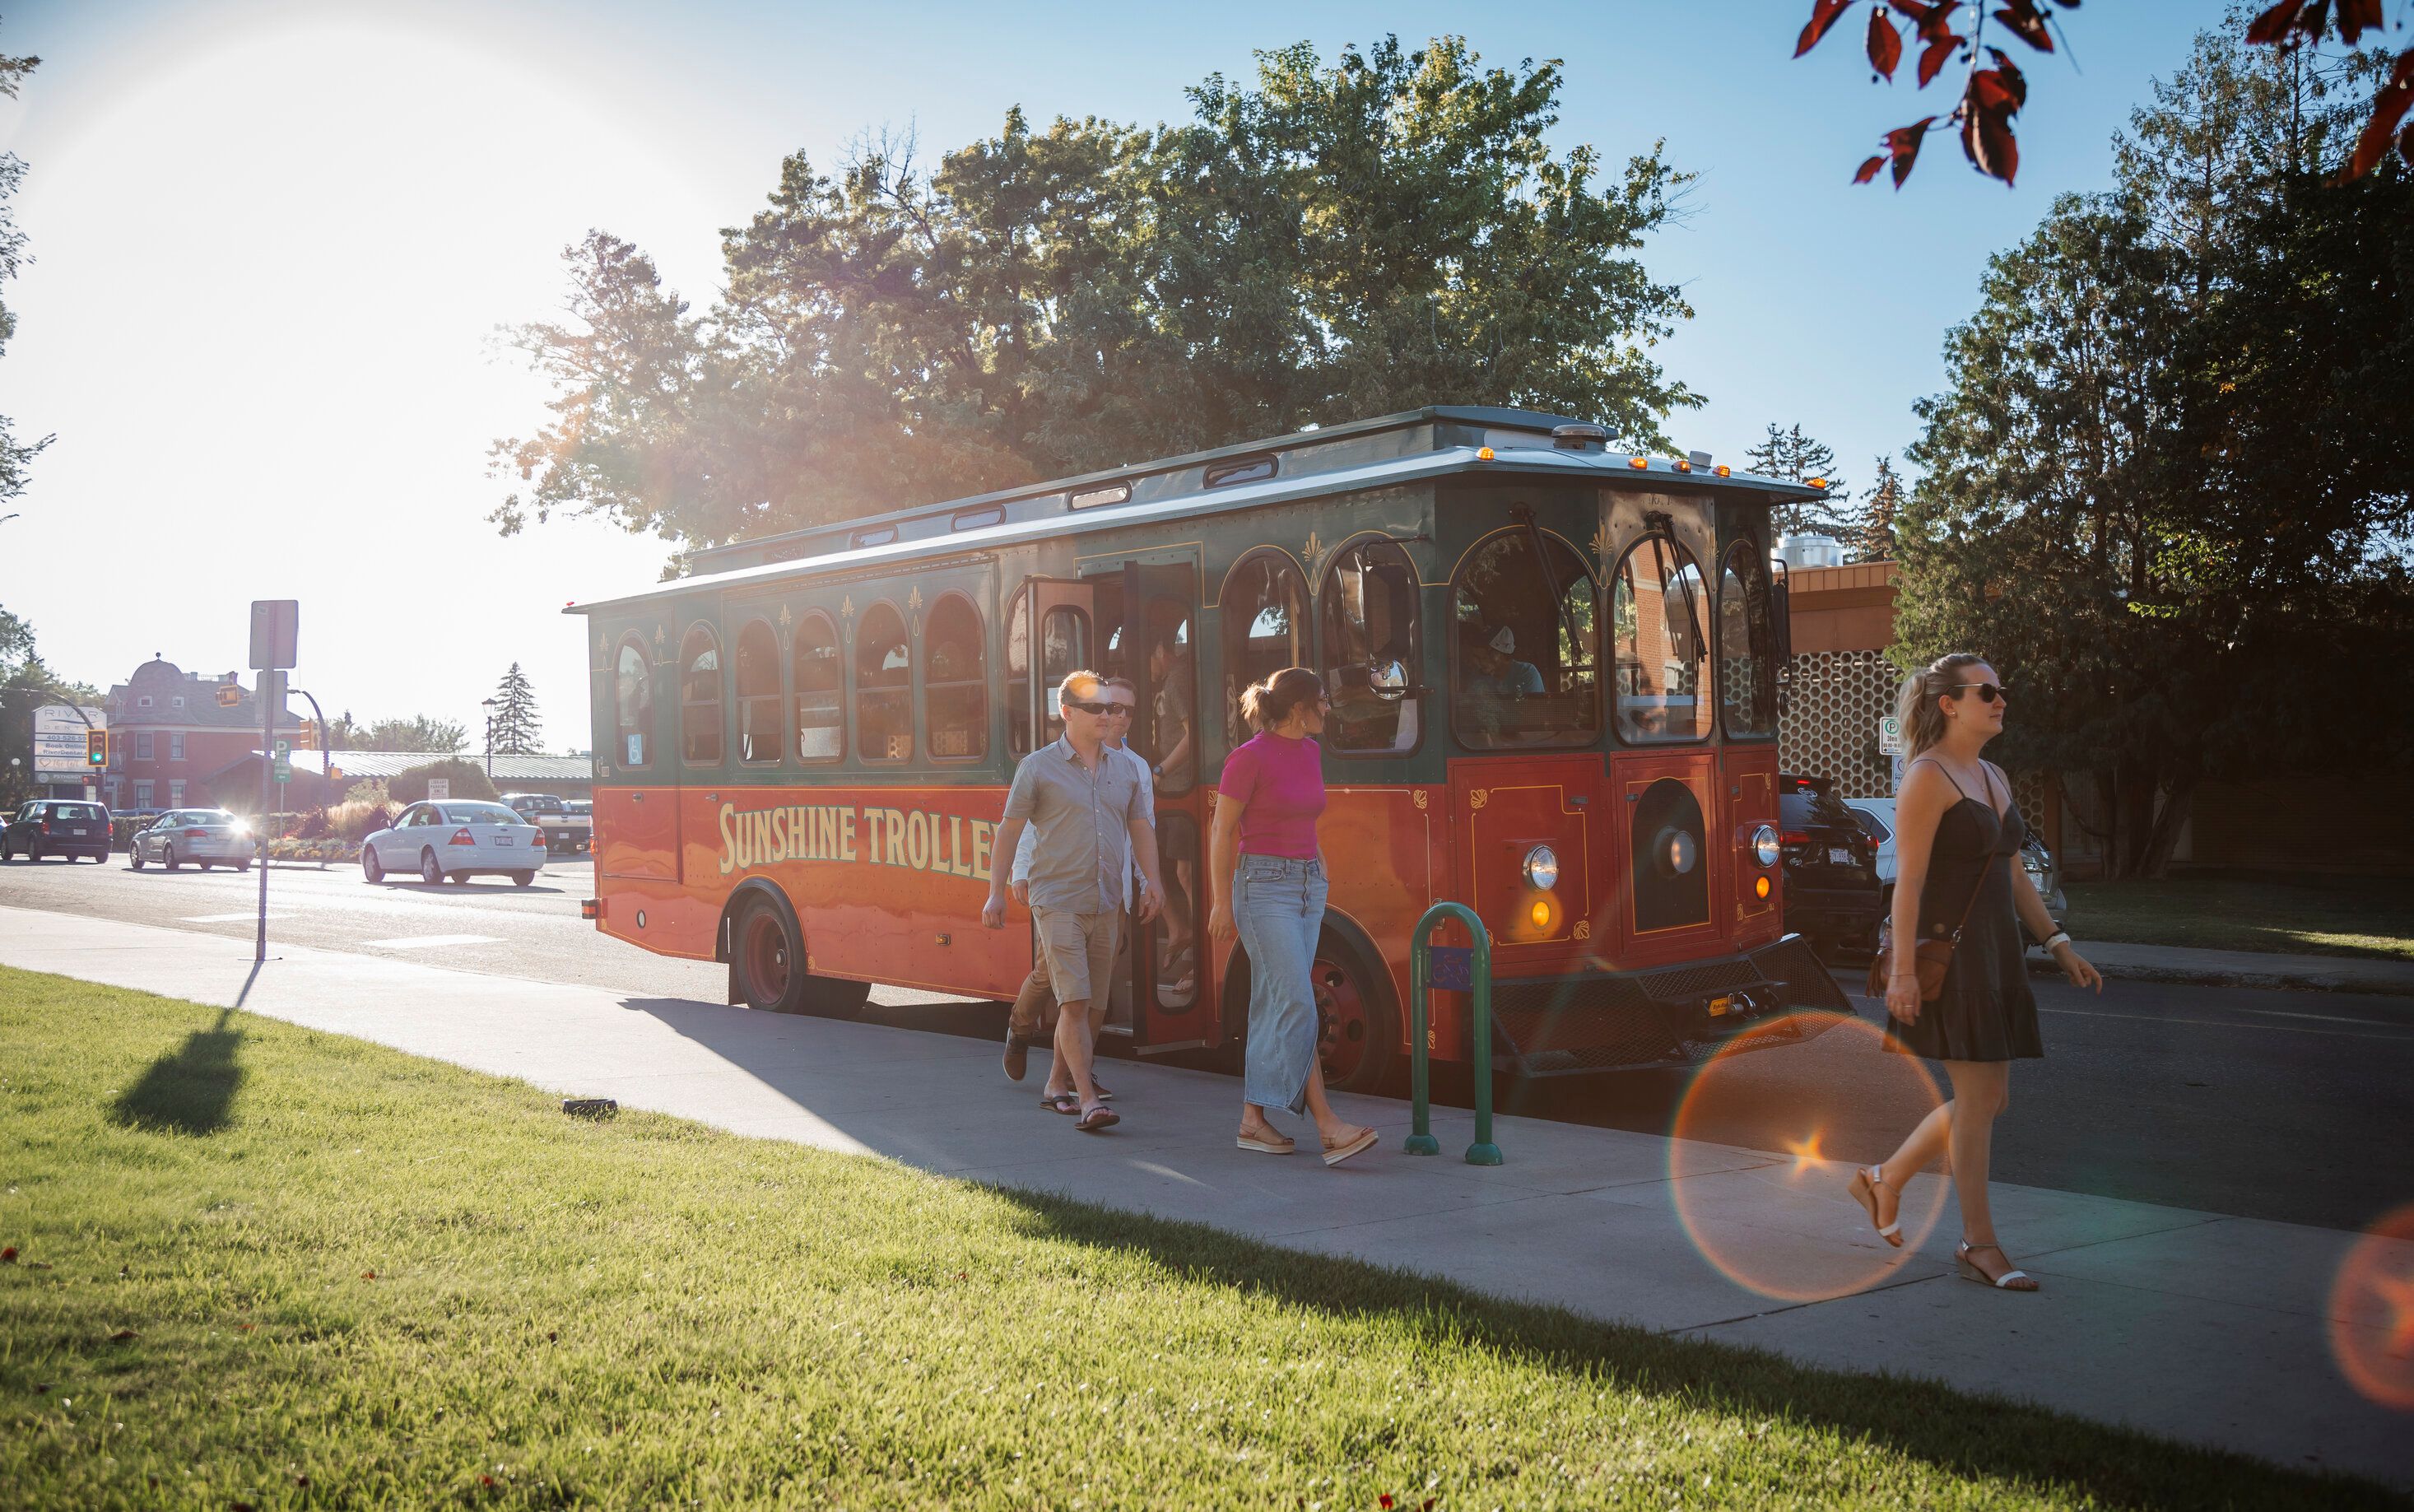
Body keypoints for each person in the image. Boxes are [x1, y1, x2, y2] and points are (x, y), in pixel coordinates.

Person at [1847, 654, 2103, 1290]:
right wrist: (1901, 972)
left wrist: (2056, 940)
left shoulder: (1991, 773)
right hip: (1950, 957)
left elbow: (2012, 871)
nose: (2000, 700)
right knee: (1979, 1100)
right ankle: (1978, 1243)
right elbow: (1905, 882)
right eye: (1986, 690)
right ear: (1948, 704)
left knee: (1989, 1099)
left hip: (1996, 954)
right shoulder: (1926, 778)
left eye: (2001, 689)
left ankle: (1882, 1179)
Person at [1207, 666, 1378, 1166]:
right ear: (1299, 709)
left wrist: (1316, 865)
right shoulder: (1247, 759)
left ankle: (1253, 1121)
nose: (1329, 707)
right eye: (1322, 701)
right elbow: (1222, 833)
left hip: (1307, 885)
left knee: (1274, 1002)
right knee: (1299, 1002)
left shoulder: (1310, 751)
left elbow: (1303, 815)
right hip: (1262, 889)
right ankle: (1328, 1125)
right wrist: (1221, 901)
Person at [984, 670, 1165, 1133]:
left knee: (1097, 1005)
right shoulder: (1038, 767)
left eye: (1113, 708)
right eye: (1097, 708)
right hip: (1057, 898)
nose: (1109, 715)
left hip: (1107, 900)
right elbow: (1011, 829)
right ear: (1066, 713)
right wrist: (997, 891)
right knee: (1076, 1000)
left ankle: (1055, 1086)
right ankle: (1088, 1101)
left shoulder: (1125, 768)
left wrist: (1153, 883)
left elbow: (1141, 827)